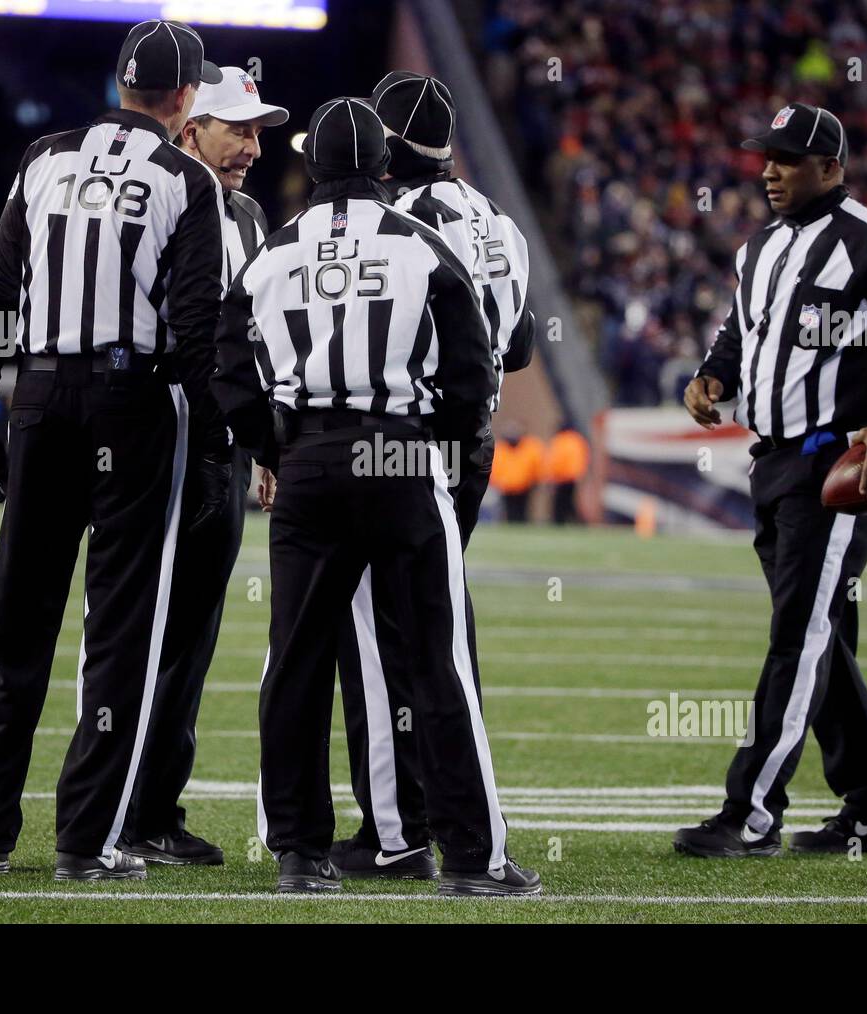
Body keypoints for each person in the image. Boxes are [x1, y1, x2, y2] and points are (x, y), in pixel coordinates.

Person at [211, 96, 540, 896]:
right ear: (383, 166)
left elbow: (228, 370)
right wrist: (448, 451)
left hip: (310, 461)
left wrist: (273, 445)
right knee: (439, 661)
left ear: (312, 167)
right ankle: (470, 858)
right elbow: (473, 372)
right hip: (402, 451)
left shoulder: (272, 252)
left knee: (295, 661)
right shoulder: (423, 246)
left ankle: (300, 853)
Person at [0, 20, 229, 881]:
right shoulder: (187, 180)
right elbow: (193, 340)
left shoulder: (44, 158)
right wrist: (226, 438)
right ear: (185, 101)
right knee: (120, 628)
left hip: (39, 397)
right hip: (132, 404)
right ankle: (85, 841)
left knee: (18, 626)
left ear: (120, 83)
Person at [676, 102, 867, 857]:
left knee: (797, 637)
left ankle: (751, 812)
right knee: (820, 639)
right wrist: (712, 375)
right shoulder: (761, 246)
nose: (768, 171)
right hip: (771, 460)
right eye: (764, 157)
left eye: (786, 160)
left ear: (831, 168)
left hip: (833, 466)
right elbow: (742, 329)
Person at [328, 71, 538, 879]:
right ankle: (449, 812)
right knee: (438, 625)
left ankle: (397, 826)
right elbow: (515, 350)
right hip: (471, 440)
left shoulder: (395, 224)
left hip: (401, 438)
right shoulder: (499, 221)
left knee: (381, 636)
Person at [109, 67, 288, 867]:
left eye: (257, 131)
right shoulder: (159, 203)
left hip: (224, 447)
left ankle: (152, 809)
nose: (252, 145)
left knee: (191, 637)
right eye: (236, 128)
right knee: (132, 632)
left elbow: (258, 339)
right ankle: (108, 812)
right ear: (188, 129)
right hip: (158, 440)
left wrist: (261, 442)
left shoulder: (249, 214)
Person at [544, 425, 589, 524]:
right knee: (568, 502)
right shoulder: (577, 440)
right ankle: (577, 522)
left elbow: (555, 460)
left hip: (562, 477)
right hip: (572, 477)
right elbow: (580, 460)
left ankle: (560, 521)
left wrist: (550, 476)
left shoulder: (560, 440)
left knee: (561, 502)